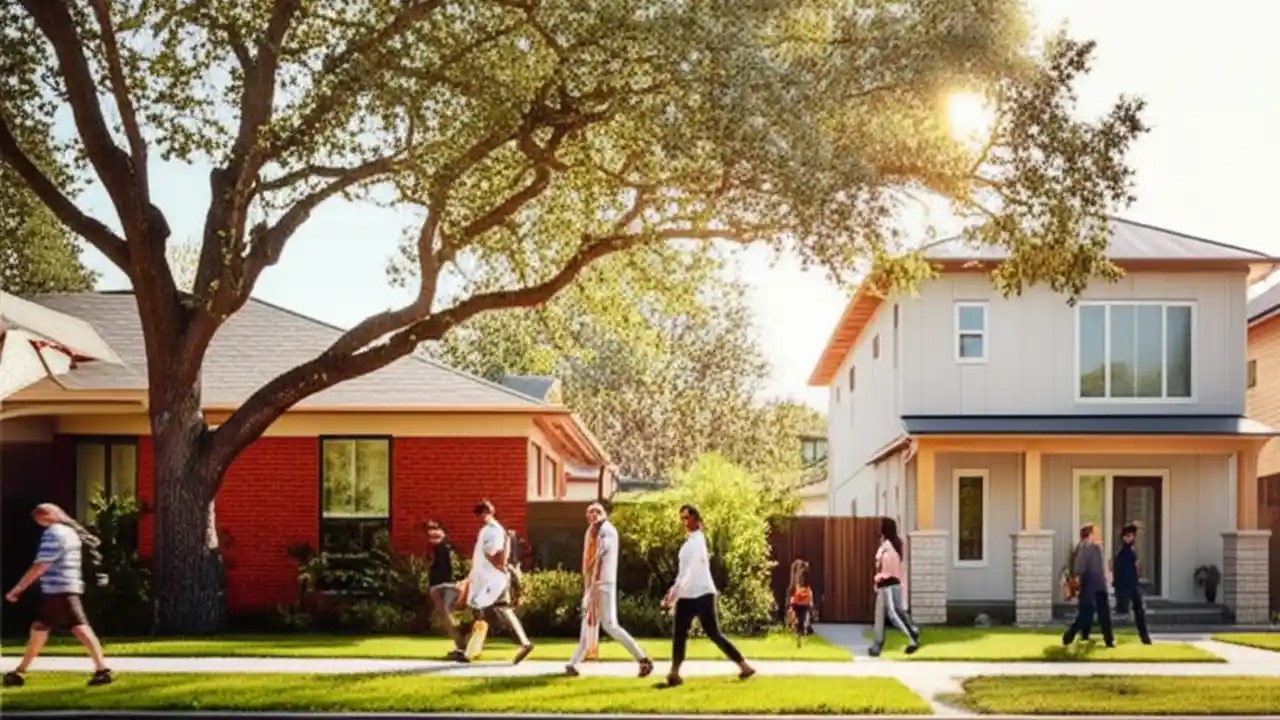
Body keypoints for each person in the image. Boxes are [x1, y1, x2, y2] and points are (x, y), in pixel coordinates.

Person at [3, 503, 112, 687]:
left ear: (43, 517)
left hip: (57, 588)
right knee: (48, 628)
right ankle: (20, 671)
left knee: (74, 628)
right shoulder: (71, 533)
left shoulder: (53, 534)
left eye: (38, 520)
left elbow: (41, 565)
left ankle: (102, 670)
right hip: (69, 586)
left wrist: (18, 589)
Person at [662, 504, 755, 687]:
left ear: (696, 519)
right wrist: (673, 592)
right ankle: (674, 672)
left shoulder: (698, 541)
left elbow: (691, 572)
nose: (684, 522)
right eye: (682, 518)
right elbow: (682, 573)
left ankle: (744, 666)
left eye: (687, 517)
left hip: (703, 593)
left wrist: (675, 594)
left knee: (714, 634)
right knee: (679, 634)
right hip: (686, 595)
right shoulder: (688, 543)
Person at [565, 502, 653, 678]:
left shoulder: (607, 531)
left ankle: (643, 659)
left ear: (604, 513)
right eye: (590, 512)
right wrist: (588, 585)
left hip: (602, 583)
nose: (593, 514)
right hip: (593, 584)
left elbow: (599, 557)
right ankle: (573, 663)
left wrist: (593, 586)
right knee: (589, 623)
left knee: (610, 625)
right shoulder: (591, 532)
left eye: (597, 511)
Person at [458, 499, 534, 665]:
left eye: (484, 513)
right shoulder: (495, 530)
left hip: (492, 579)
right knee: (500, 610)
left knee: (478, 608)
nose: (483, 516)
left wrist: (499, 566)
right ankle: (523, 643)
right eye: (481, 513)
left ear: (489, 513)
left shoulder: (492, 530)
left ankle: (470, 650)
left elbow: (495, 554)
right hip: (492, 577)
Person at [867, 517, 920, 657]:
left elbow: (886, 569)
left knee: (890, 614)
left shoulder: (888, 547)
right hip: (892, 584)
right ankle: (878, 644)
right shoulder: (895, 544)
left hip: (887, 584)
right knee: (891, 613)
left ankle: (911, 637)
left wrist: (878, 579)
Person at [1063, 523, 1114, 648]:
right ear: (1090, 535)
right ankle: (1070, 635)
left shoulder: (1086, 549)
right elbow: (1086, 569)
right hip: (1093, 586)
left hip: (1092, 586)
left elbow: (1079, 568)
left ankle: (1107, 640)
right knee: (1092, 614)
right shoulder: (1089, 549)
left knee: (1096, 615)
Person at [425, 521, 466, 659]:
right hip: (440, 586)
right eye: (430, 530)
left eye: (435, 529)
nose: (432, 532)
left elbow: (453, 566)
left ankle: (461, 643)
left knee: (446, 614)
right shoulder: (438, 549)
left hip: (445, 585)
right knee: (445, 615)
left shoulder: (445, 548)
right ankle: (460, 643)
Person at [1113, 522, 1152, 645]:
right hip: (1125, 586)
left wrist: (1138, 579)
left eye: (1130, 536)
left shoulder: (1131, 551)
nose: (1128, 538)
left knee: (1139, 611)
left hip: (1133, 585)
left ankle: (1145, 638)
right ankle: (1109, 636)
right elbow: (1118, 570)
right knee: (1121, 613)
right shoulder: (1123, 553)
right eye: (1126, 536)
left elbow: (1135, 568)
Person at [786, 559, 814, 647]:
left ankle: (801, 630)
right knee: (798, 619)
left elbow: (808, 591)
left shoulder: (805, 578)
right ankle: (798, 631)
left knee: (801, 618)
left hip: (802, 602)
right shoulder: (796, 582)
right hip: (799, 602)